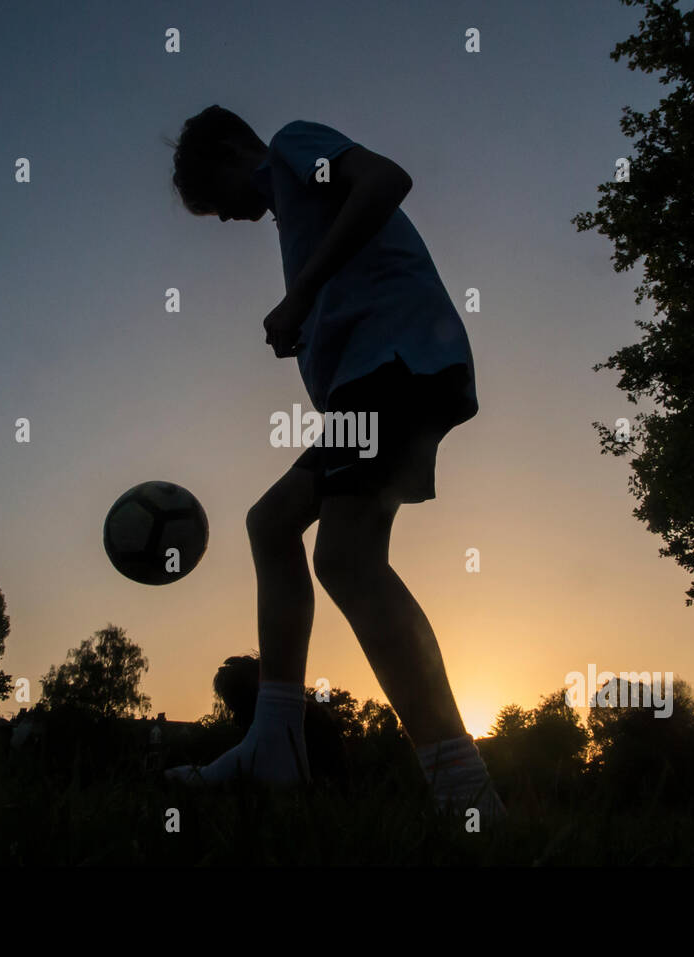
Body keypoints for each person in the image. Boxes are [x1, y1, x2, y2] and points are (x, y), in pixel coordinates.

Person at [163, 105, 505, 822]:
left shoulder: (292, 146)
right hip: (380, 377)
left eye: (216, 203)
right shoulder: (294, 205)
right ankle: (276, 742)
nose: (227, 219)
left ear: (230, 151)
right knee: (273, 525)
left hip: (398, 364)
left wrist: (302, 293)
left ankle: (463, 789)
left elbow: (384, 179)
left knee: (347, 560)